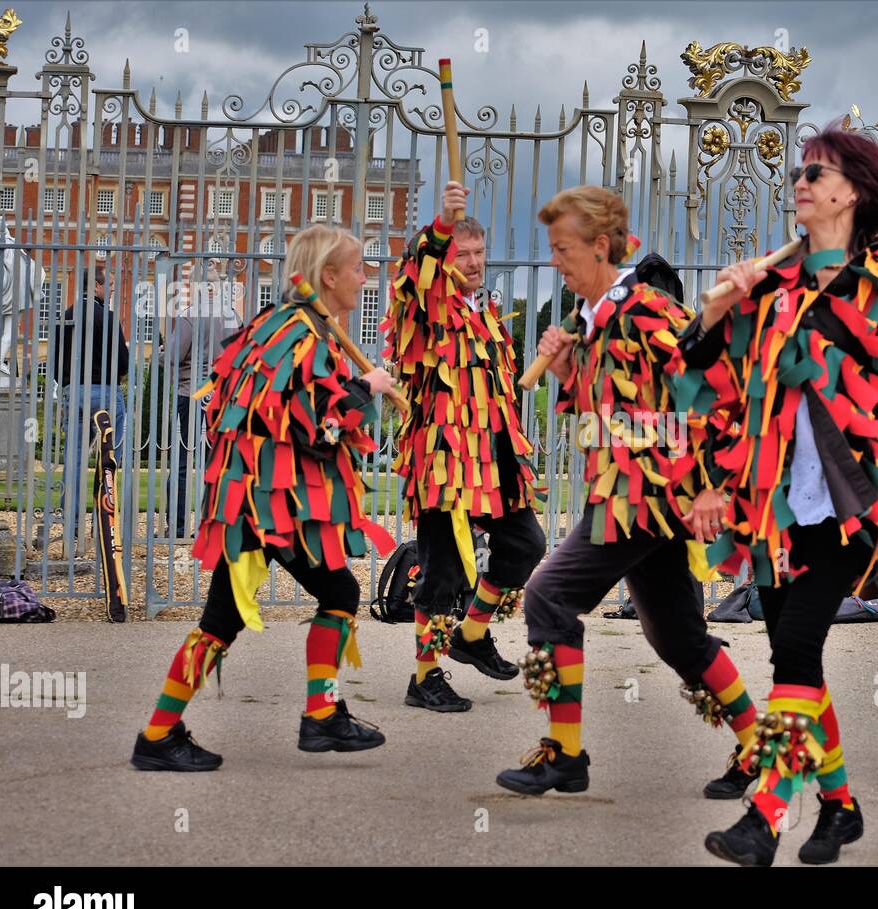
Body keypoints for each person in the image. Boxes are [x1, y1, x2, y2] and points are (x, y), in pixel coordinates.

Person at [677, 126, 878, 865]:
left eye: (817, 171)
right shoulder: (768, 287)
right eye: (797, 173)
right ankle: (841, 808)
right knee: (798, 662)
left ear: (854, 190)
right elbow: (697, 387)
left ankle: (765, 817)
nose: (801, 182)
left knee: (796, 645)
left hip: (851, 506)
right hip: (776, 507)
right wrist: (716, 313)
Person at [494, 185, 759, 799]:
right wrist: (565, 369)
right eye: (552, 248)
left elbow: (715, 389)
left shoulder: (644, 310)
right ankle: (757, 745)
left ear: (602, 246)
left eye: (564, 249)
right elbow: (607, 409)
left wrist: (713, 487)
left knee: (547, 597)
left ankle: (563, 753)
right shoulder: (594, 319)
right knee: (676, 636)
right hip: (622, 492)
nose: (555, 261)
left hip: (647, 496)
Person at [130, 225, 397, 771]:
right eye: (356, 268)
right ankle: (162, 735)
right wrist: (366, 390)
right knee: (235, 618)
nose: (363, 277)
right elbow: (316, 428)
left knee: (319, 595)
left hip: (264, 501)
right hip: (264, 507)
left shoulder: (281, 327)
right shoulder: (301, 337)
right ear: (327, 276)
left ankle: (318, 718)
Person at [382, 180, 547, 713]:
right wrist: (442, 224)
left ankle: (472, 634)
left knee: (526, 545)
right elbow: (414, 273)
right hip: (444, 460)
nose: (474, 263)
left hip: (495, 460)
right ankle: (424, 677)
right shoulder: (424, 310)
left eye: (479, 253)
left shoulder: (489, 314)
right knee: (443, 572)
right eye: (463, 254)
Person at [163, 262, 241, 540]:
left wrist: (162, 352)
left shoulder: (191, 316)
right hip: (223, 397)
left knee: (183, 461)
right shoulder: (232, 316)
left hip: (192, 393)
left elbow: (172, 357)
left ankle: (180, 527)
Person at [54, 266, 129, 550]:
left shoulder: (68, 316)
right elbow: (122, 363)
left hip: (74, 391)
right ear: (95, 286)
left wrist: (70, 383)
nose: (111, 290)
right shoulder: (107, 317)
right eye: (108, 284)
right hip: (105, 393)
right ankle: (106, 523)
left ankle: (71, 526)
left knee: (73, 459)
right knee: (110, 460)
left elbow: (55, 361)